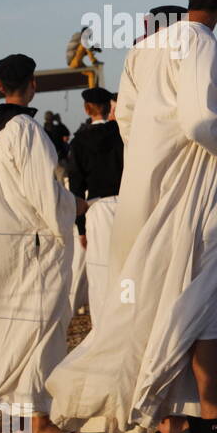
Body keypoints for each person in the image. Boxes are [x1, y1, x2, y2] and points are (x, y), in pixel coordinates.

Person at [46, 0, 217, 433]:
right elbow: (200, 121)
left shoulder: (142, 50)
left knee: (172, 303)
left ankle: (194, 422)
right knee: (201, 308)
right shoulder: (201, 42)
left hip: (151, 195)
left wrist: (160, 162)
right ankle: (208, 427)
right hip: (199, 196)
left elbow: (128, 123)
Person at [0, 54, 82, 433]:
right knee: (41, 324)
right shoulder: (25, 129)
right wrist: (75, 208)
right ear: (34, 83)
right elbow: (45, 197)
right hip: (26, 246)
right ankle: (36, 420)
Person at [66, 86, 123, 327]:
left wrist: (81, 228)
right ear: (109, 106)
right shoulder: (121, 133)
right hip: (127, 203)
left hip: (97, 208)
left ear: (87, 108)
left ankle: (103, 326)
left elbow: (76, 187)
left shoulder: (79, 142)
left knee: (100, 273)